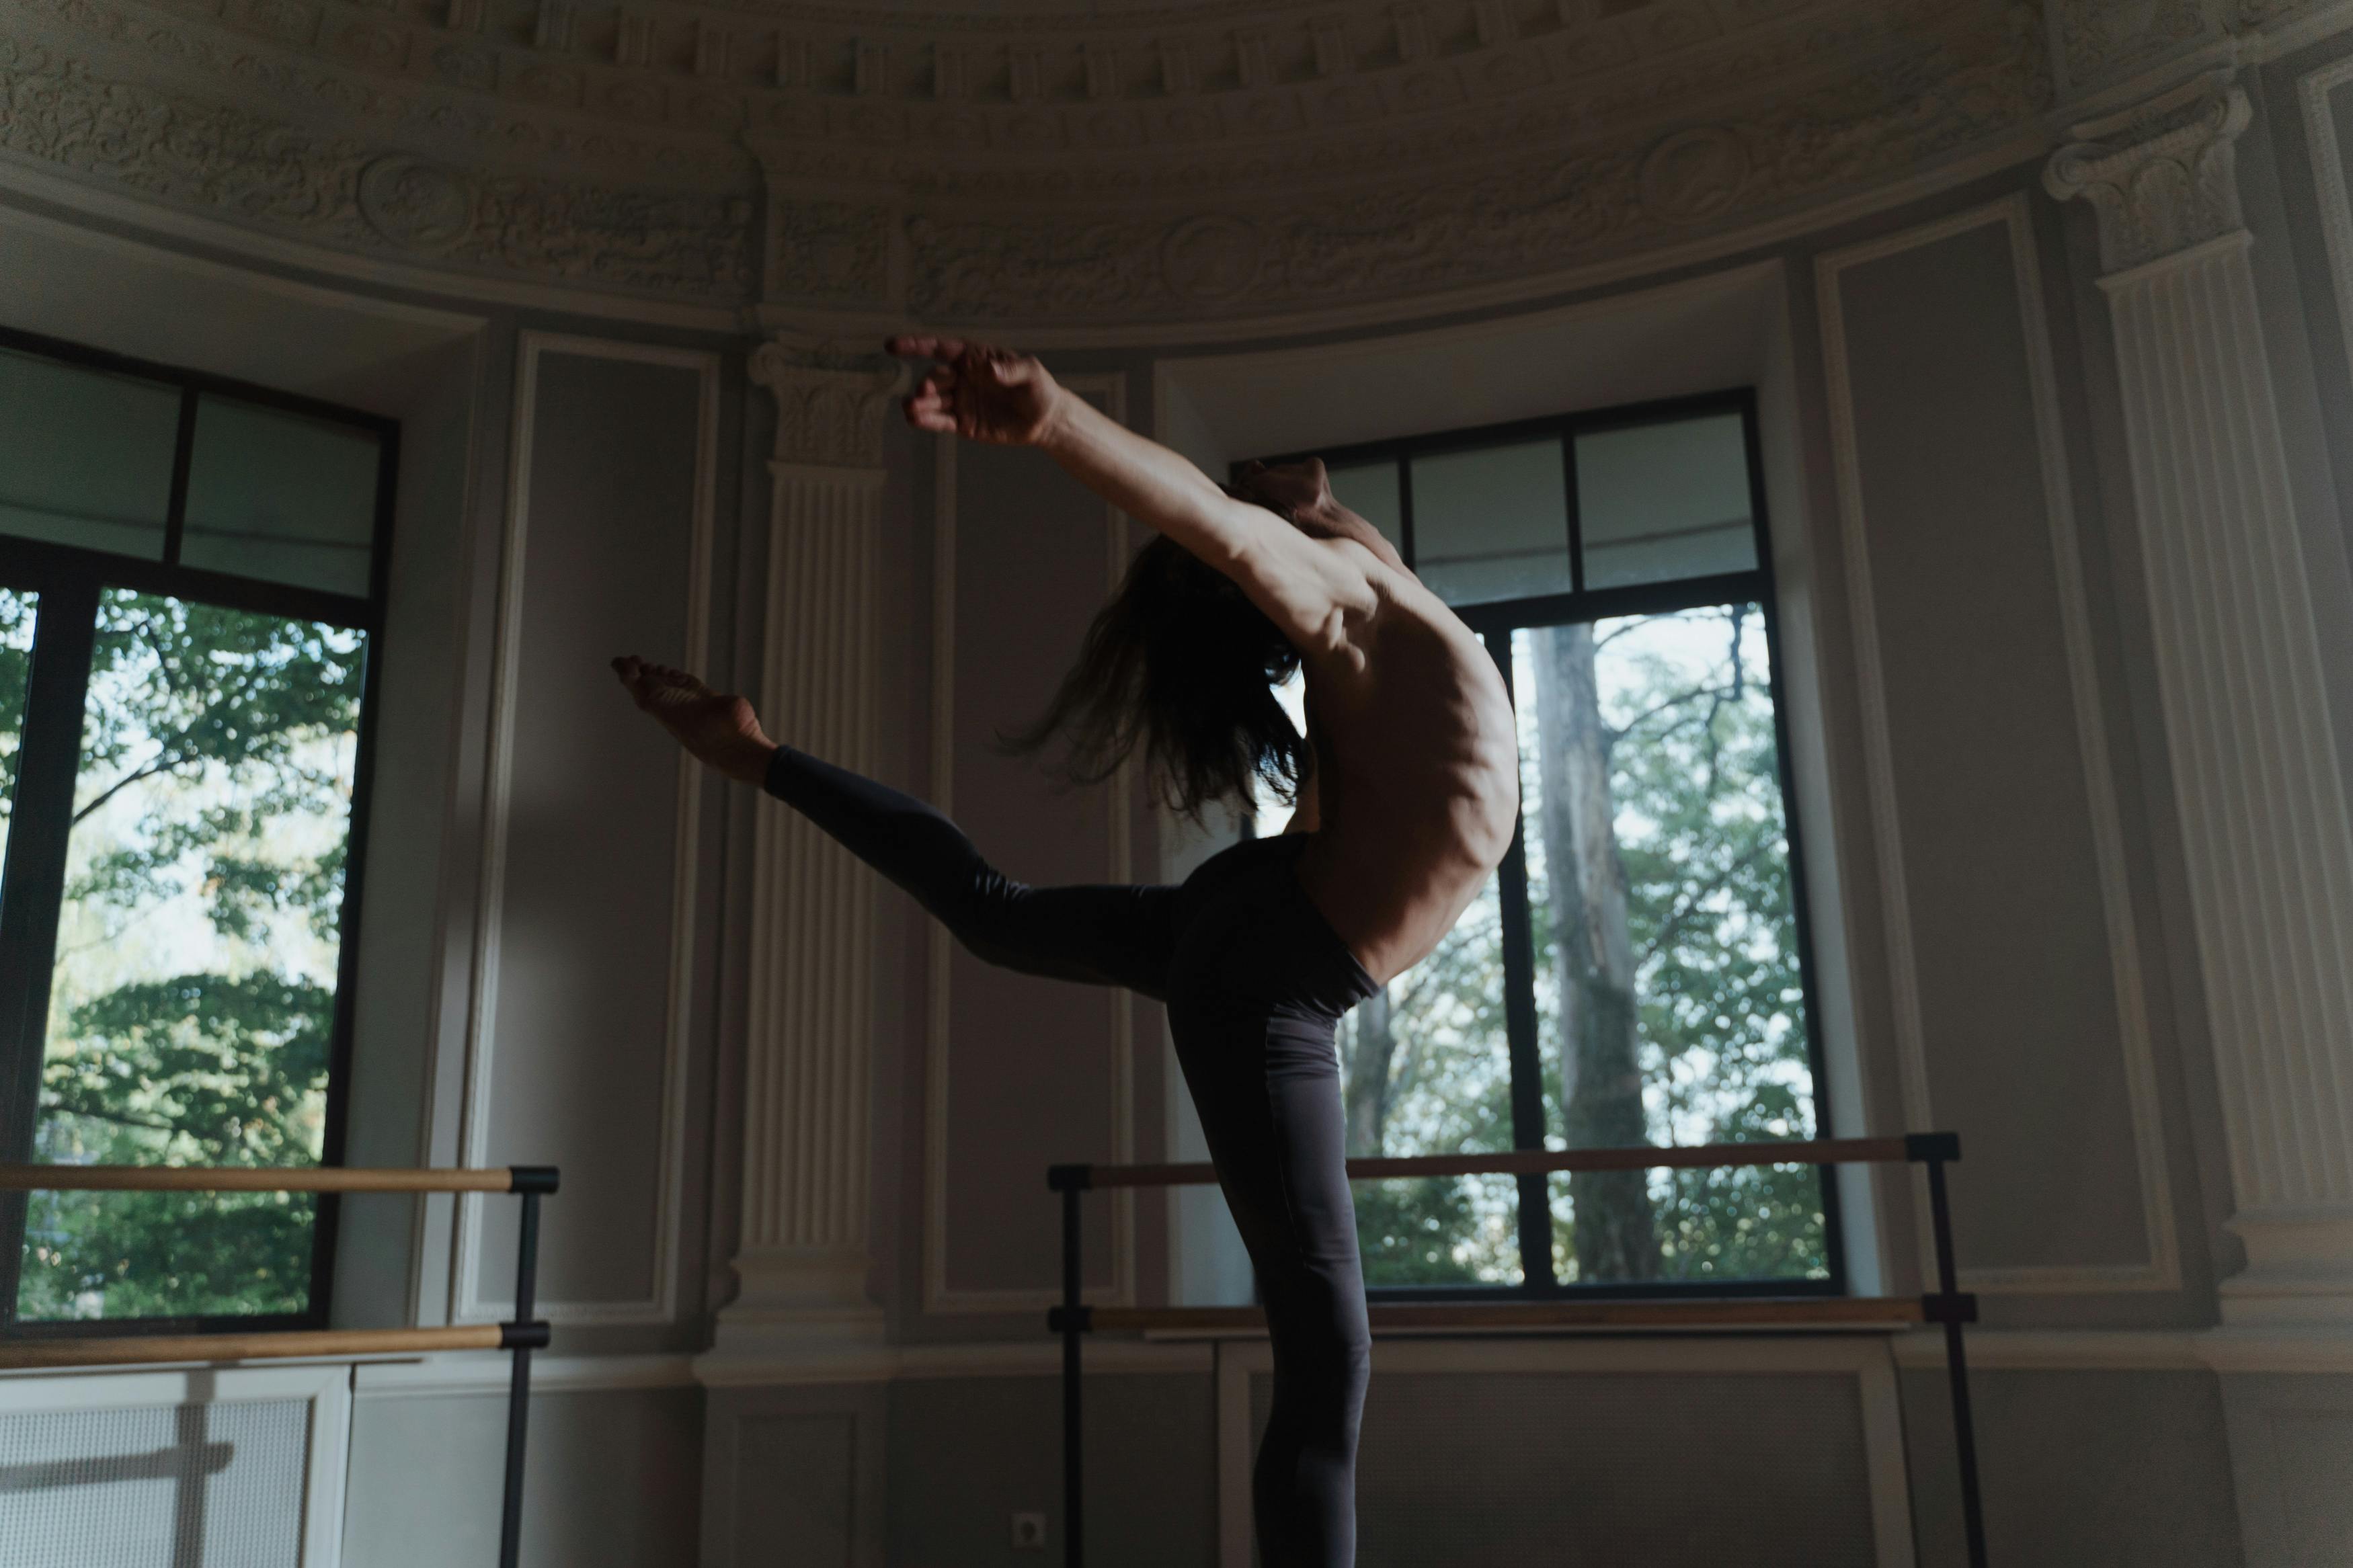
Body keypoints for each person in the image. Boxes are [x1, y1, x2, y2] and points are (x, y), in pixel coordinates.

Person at [612, 335, 1518, 1567]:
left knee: (996, 909)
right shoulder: (1352, 596)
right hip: (1277, 972)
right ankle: (760, 756)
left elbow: (1275, 507)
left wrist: (1299, 491)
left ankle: (757, 752)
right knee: (1327, 1355)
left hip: (1258, 916)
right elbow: (1226, 526)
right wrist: (1054, 425)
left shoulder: (1378, 574)